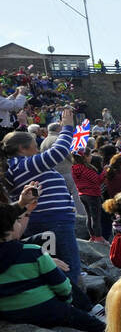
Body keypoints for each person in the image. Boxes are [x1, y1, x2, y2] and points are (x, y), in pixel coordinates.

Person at [0, 188, 104, 332]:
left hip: (10, 313)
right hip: (46, 308)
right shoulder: (34, 251)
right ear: (10, 228)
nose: (20, 224)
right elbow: (62, 286)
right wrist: (66, 302)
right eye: (17, 221)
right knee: (90, 323)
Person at [4, 107, 83, 291]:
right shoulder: (25, 164)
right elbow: (60, 151)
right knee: (69, 265)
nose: (37, 148)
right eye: (34, 144)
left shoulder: (17, 165)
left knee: (53, 265)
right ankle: (73, 304)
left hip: (45, 220)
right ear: (22, 149)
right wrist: (68, 127)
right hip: (53, 220)